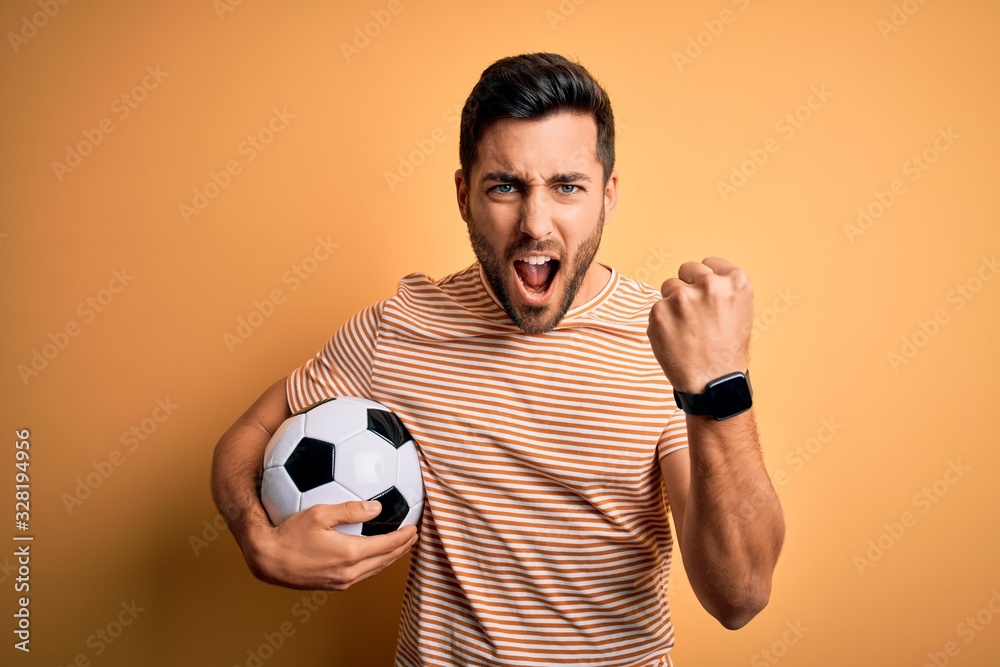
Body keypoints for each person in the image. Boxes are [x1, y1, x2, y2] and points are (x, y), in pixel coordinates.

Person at [212, 52, 784, 666]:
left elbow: (739, 596)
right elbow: (248, 434)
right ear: (464, 195)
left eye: (567, 186)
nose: (535, 223)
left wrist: (718, 383)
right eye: (506, 186)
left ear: (608, 196)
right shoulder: (401, 327)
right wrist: (256, 536)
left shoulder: (666, 344)